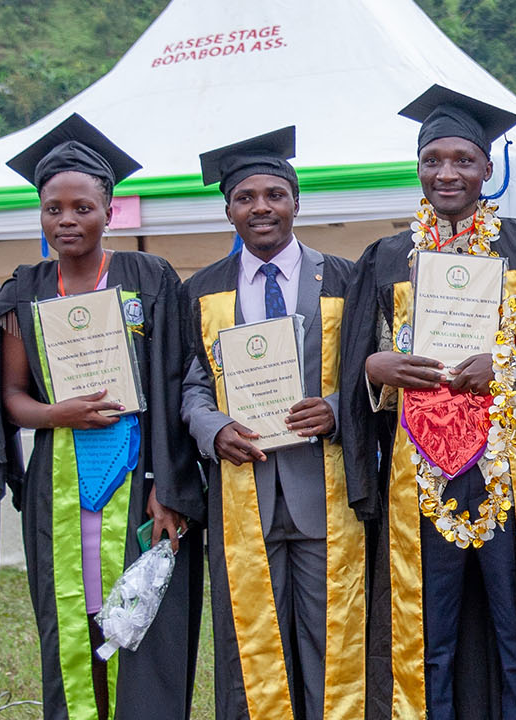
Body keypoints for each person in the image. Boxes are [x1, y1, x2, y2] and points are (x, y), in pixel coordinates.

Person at [338, 85, 516, 719]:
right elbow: (363, 369)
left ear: (488, 167)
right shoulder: (387, 257)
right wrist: (376, 368)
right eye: (432, 159)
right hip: (420, 470)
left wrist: (502, 368)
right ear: (419, 166)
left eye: (462, 159)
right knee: (426, 635)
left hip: (514, 472)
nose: (446, 172)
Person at [0, 114, 202, 719]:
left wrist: (165, 485)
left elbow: (173, 383)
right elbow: (12, 399)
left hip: (138, 474)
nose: (66, 221)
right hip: (60, 485)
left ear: (109, 209)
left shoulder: (147, 278)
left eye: (81, 208)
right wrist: (56, 412)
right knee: (73, 622)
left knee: (141, 626)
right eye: (52, 209)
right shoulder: (25, 289)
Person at [182, 126, 367, 719]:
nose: (260, 207)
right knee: (252, 647)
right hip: (244, 495)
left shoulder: (344, 277)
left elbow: (373, 367)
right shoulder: (201, 291)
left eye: (274, 194)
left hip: (327, 491)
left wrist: (336, 409)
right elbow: (189, 385)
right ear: (228, 208)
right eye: (245, 197)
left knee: (330, 643)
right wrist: (212, 428)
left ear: (295, 201)